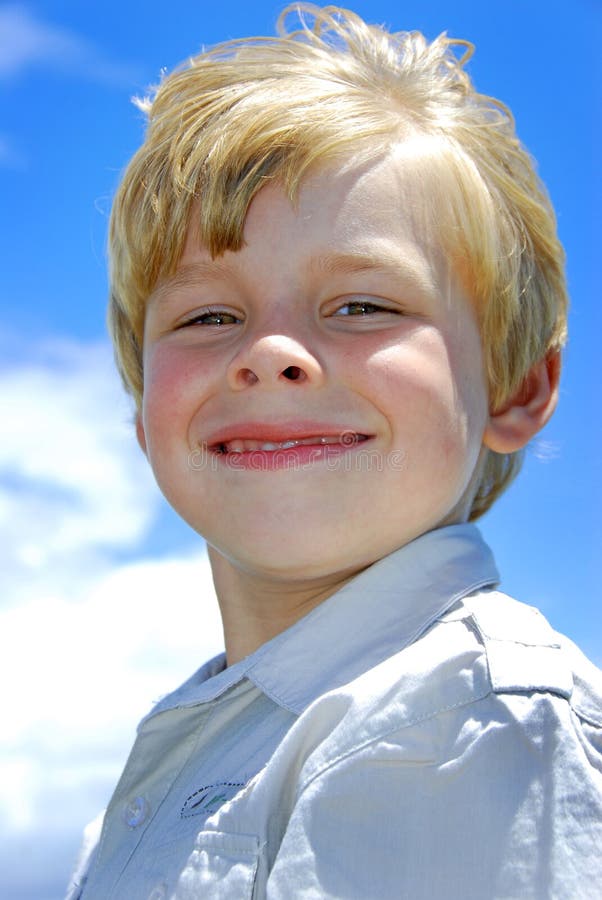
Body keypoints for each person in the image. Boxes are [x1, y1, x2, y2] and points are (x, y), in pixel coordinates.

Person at [66, 4, 602, 898]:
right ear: (141, 403)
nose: (269, 353)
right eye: (209, 316)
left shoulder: (463, 720)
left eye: (362, 305)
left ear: (517, 387)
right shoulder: (191, 757)